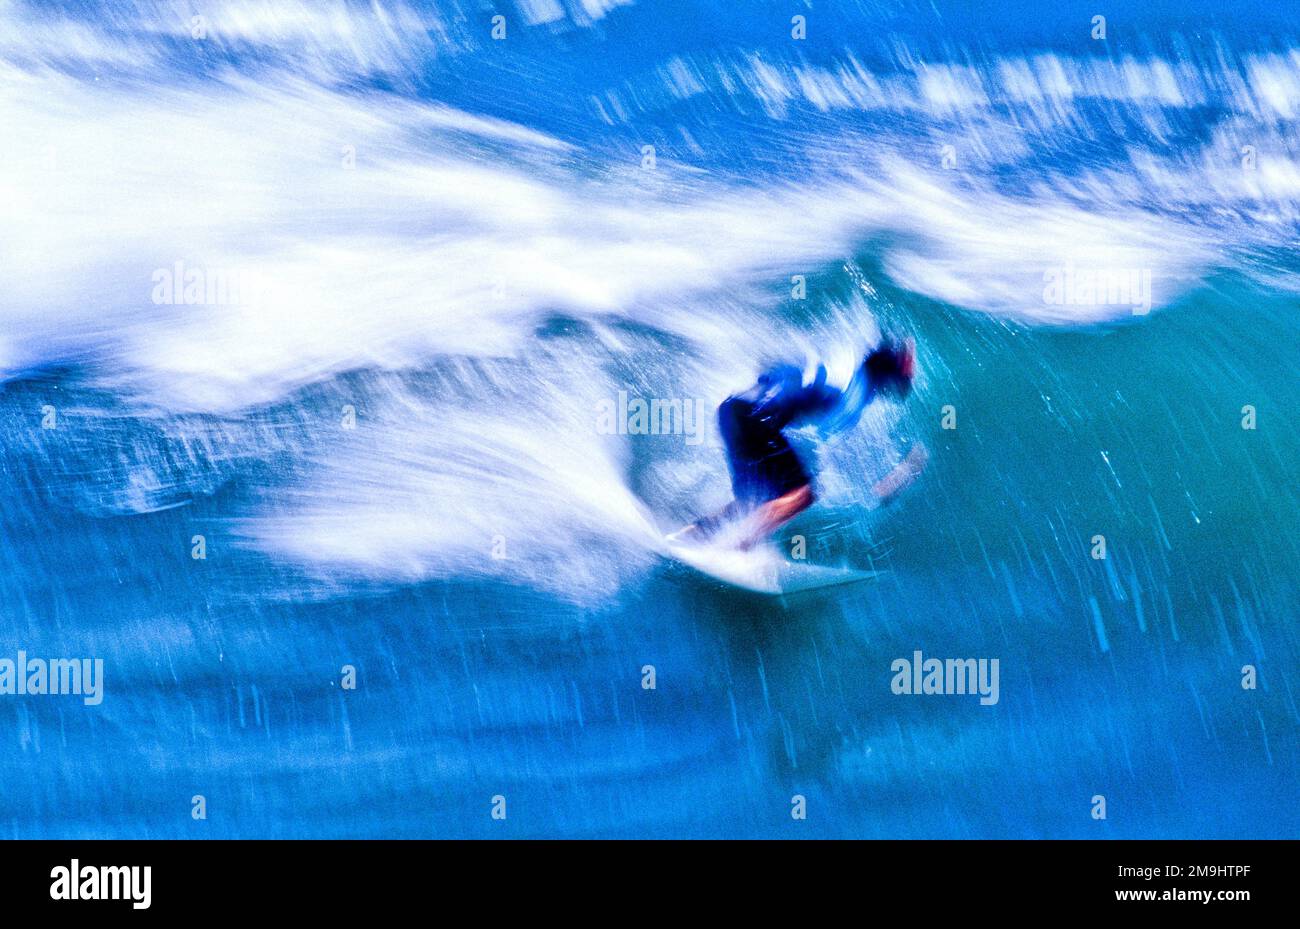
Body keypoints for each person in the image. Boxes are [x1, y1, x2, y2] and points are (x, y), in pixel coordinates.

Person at [671, 339, 925, 548]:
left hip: (731, 409)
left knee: (757, 499)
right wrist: (883, 486)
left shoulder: (832, 368)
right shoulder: (856, 392)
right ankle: (737, 546)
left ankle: (689, 537)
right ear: (885, 376)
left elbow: (769, 376)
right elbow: (830, 433)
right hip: (757, 418)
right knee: (803, 495)